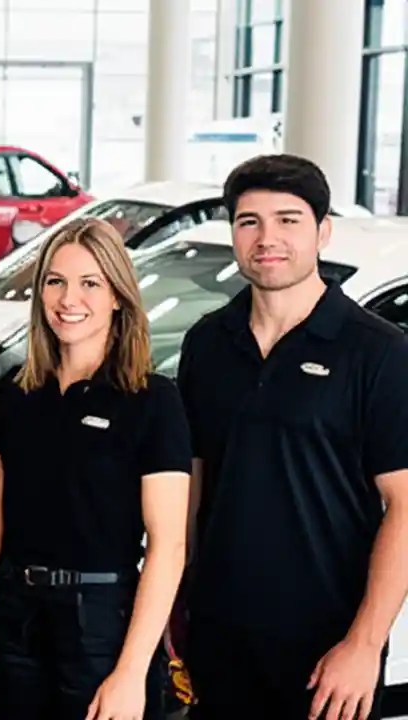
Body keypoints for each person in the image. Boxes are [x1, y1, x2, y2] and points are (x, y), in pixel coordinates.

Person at [175, 154, 408, 720]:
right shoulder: (207, 343)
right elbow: (192, 485)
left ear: (322, 231)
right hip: (218, 637)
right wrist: (173, 607)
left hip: (326, 651)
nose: (267, 238)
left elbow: (405, 505)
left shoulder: (376, 351)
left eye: (288, 219)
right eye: (249, 221)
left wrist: (363, 645)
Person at [0, 217, 192, 720]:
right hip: (16, 617)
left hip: (102, 624)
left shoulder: (152, 400)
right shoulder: (18, 391)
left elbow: (168, 547)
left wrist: (130, 672)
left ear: (117, 296)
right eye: (55, 281)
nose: (69, 299)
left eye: (90, 283)